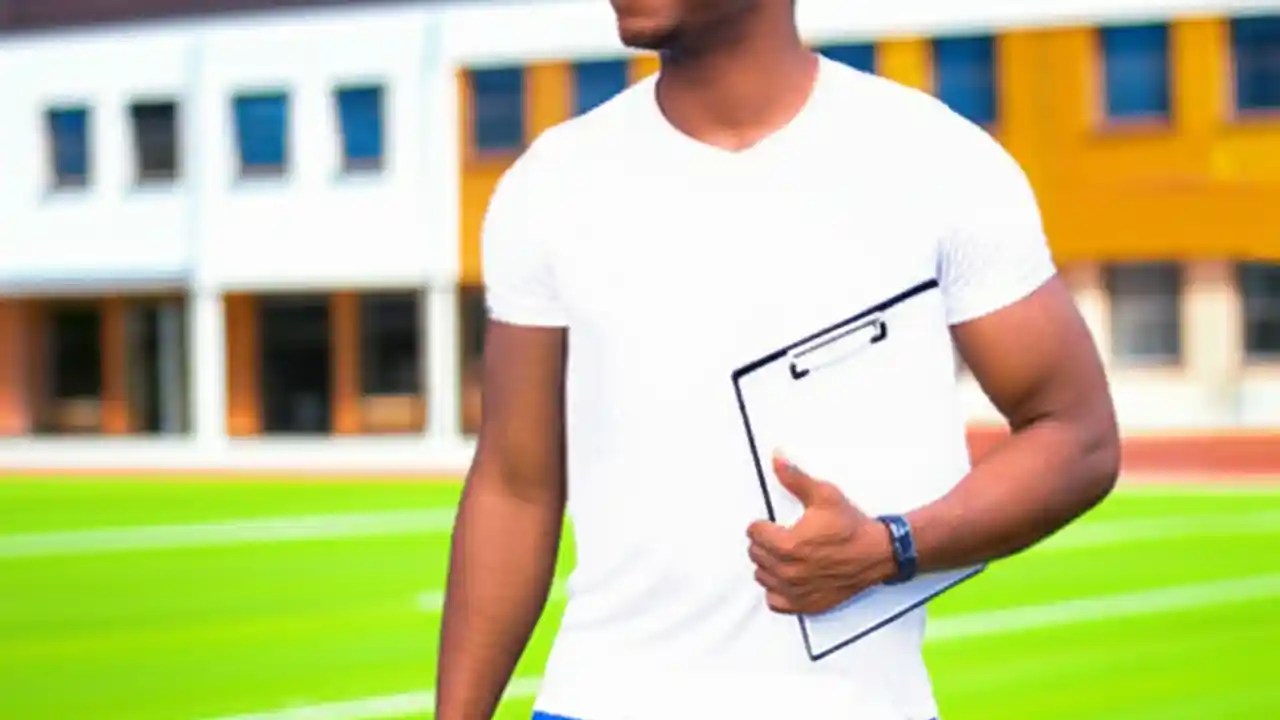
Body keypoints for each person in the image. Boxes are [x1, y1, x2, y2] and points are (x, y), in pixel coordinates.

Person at [435, 0, 1120, 715]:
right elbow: (514, 487)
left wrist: (891, 548)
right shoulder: (549, 186)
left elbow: (1076, 435)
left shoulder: (937, 162)